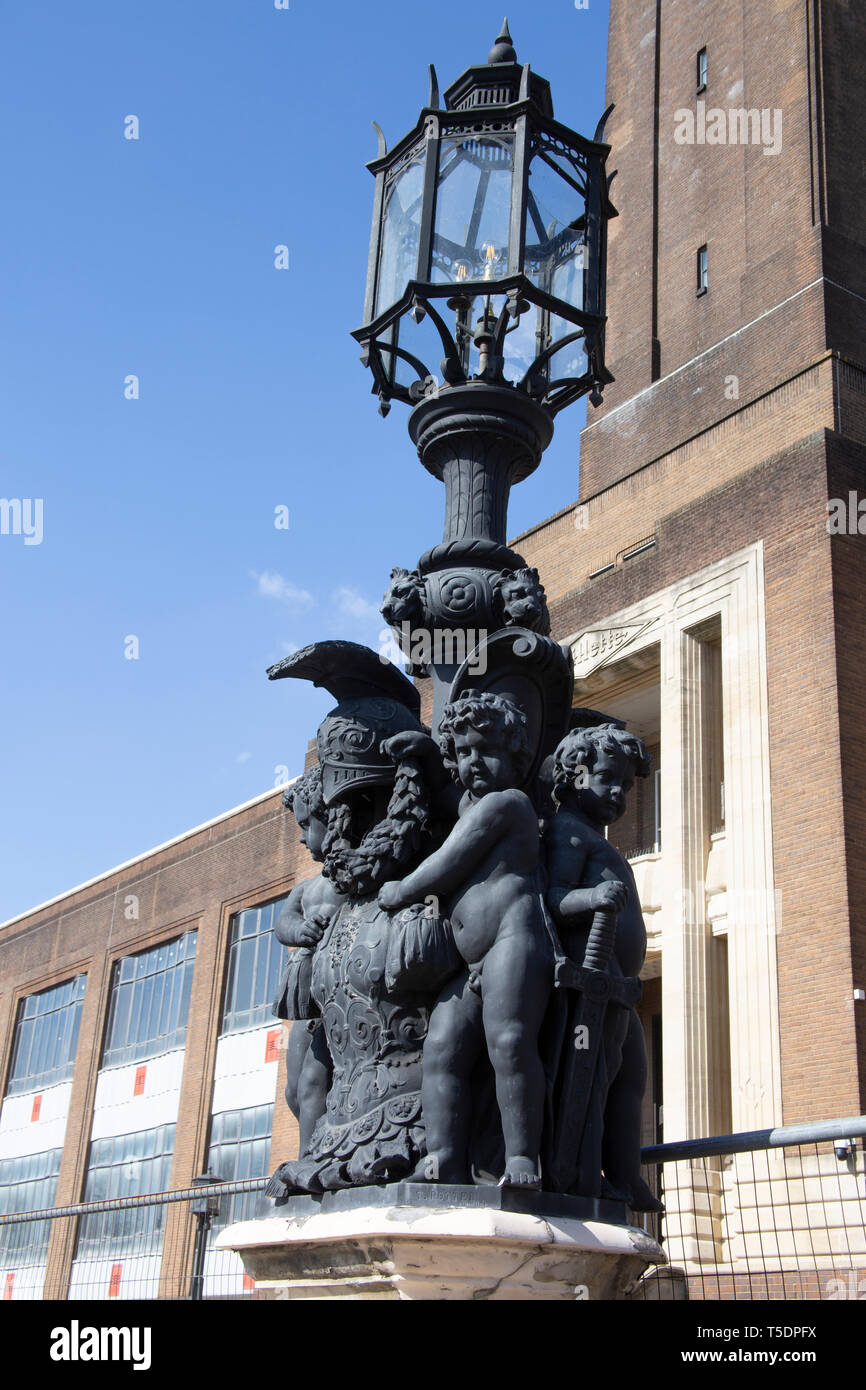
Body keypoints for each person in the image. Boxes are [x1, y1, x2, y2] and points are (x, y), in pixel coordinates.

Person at [378, 691, 553, 1189]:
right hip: (467, 963)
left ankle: (522, 1161)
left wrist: (400, 889)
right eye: (464, 752)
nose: (475, 761)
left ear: (516, 753)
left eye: (487, 749)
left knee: (510, 1042)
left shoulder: (508, 804)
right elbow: (448, 796)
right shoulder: (472, 802)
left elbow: (449, 860)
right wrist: (427, 755)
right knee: (442, 1049)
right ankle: (444, 1156)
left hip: (512, 942)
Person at [546, 723, 661, 1211]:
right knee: (594, 1078)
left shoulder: (597, 838)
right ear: (574, 776)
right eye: (608, 779)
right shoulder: (568, 834)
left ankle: (626, 1173)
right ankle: (590, 1175)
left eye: (627, 787)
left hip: (618, 986)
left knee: (632, 1078)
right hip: (590, 984)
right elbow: (551, 897)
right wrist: (592, 897)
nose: (619, 794)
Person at [273, 767, 341, 1158]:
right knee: (293, 1089)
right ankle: (313, 1150)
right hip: (306, 1002)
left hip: (334, 996)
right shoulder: (306, 888)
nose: (300, 836)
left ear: (329, 819)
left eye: (305, 824)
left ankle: (311, 1161)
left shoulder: (349, 878)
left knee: (315, 1080)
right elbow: (282, 923)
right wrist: (300, 931)